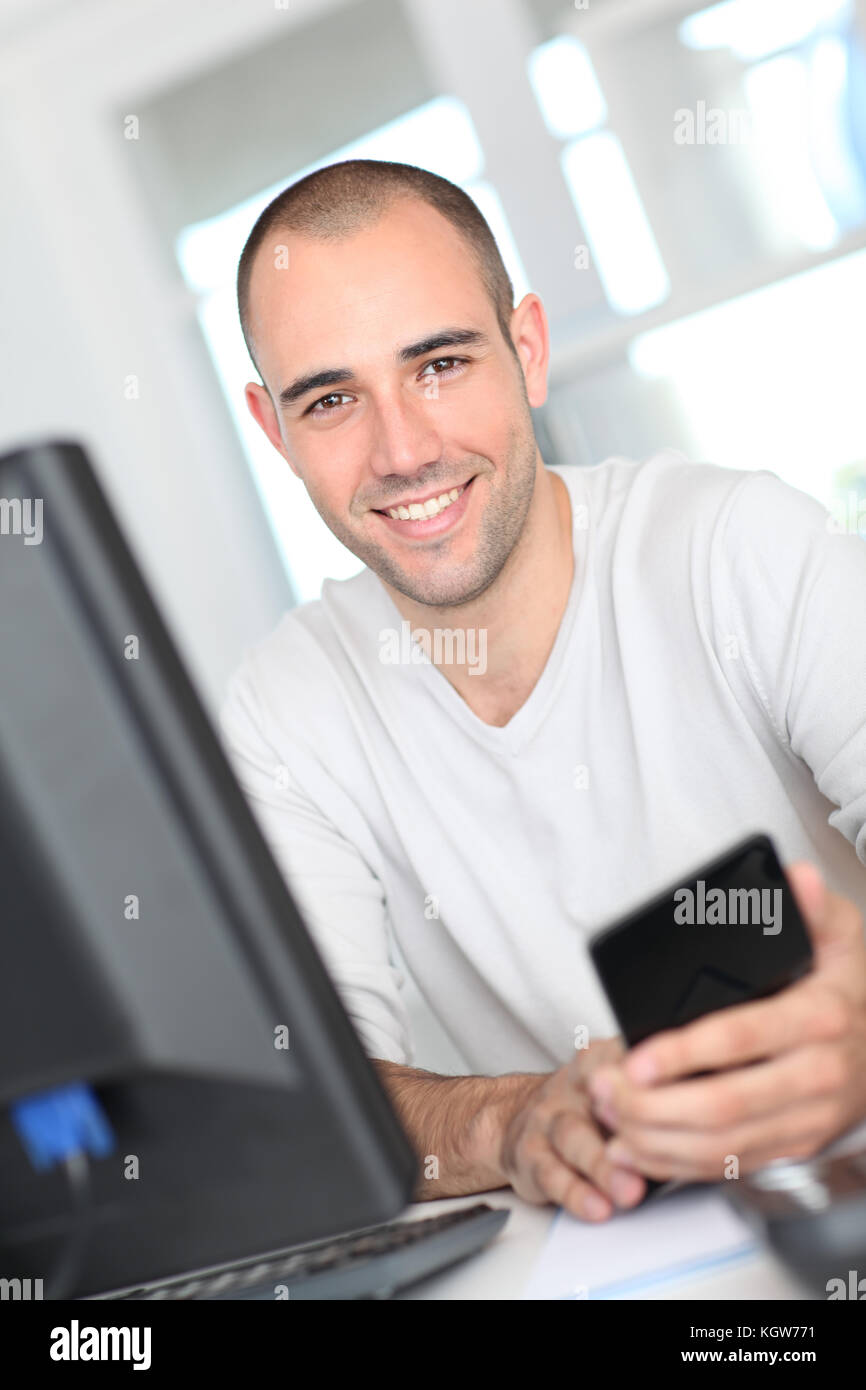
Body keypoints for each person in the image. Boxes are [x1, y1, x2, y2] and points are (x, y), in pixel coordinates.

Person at [220, 159, 866, 1223]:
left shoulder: (739, 549)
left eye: (437, 363)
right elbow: (321, 1106)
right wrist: (509, 1122)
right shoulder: (285, 708)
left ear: (526, 348)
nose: (404, 450)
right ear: (272, 428)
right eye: (331, 398)